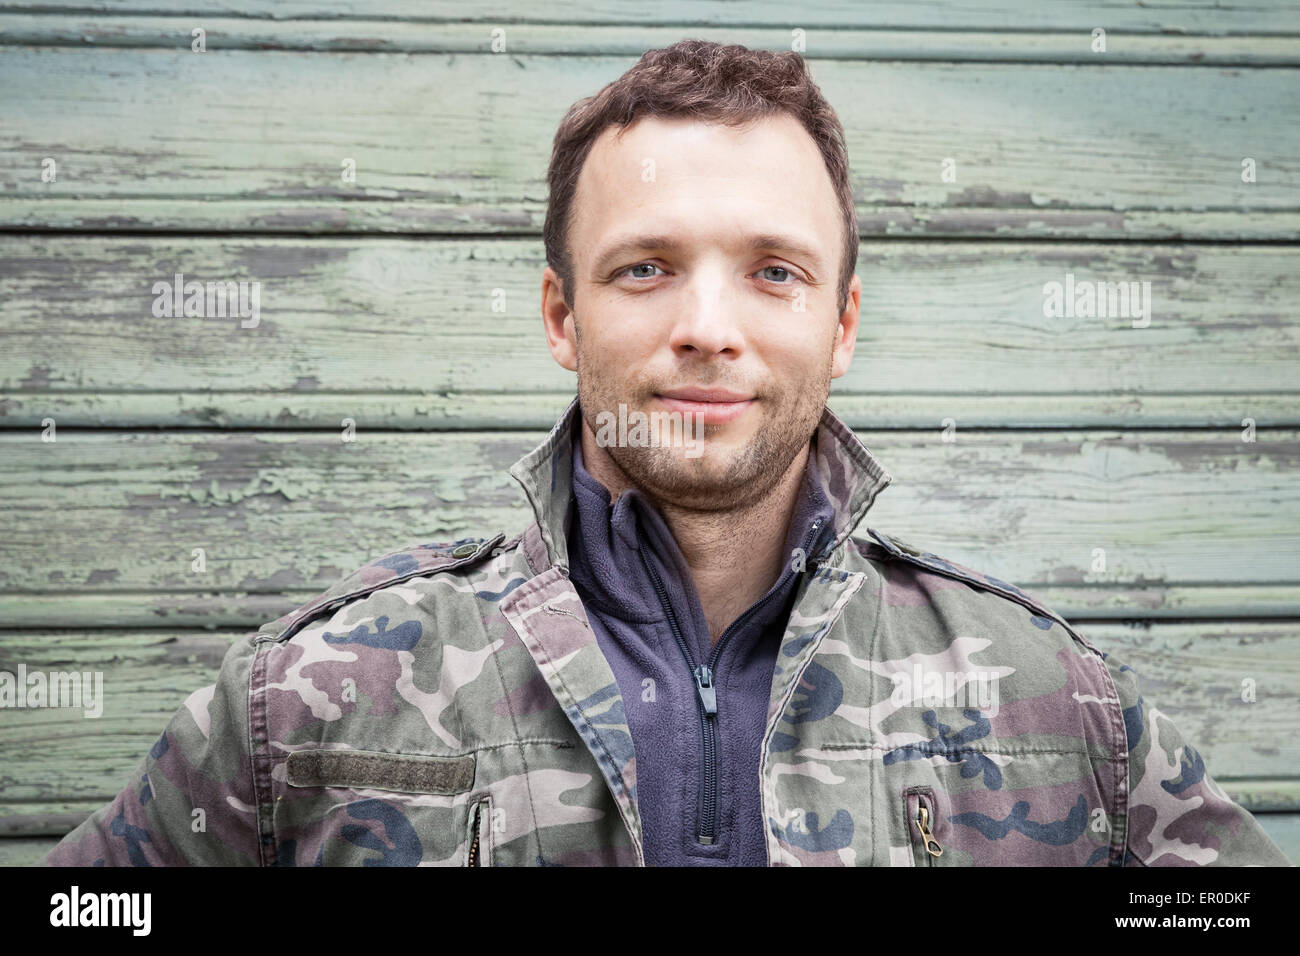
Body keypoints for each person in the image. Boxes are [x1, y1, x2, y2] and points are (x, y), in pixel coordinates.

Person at [42, 39, 1289, 867]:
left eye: (773, 271)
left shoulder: (1050, 702)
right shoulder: (308, 698)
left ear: (840, 323)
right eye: (644, 268)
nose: (705, 326)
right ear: (559, 315)